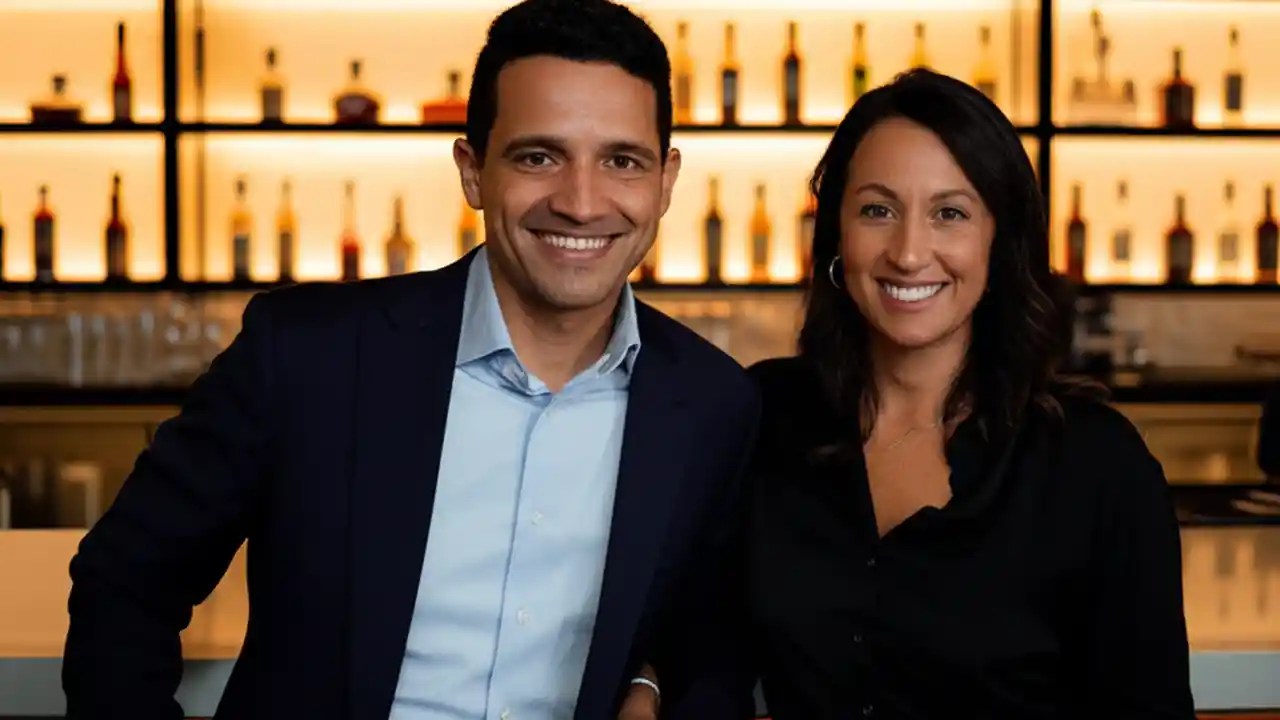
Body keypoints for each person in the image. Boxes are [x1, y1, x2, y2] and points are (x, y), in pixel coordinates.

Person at [62, 2, 758, 718]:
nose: (581, 203)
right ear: (472, 171)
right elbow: (127, 581)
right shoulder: (306, 356)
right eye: (538, 157)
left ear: (665, 182)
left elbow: (710, 641)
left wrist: (652, 683)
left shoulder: (712, 405)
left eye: (622, 161)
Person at [627, 68, 1197, 719]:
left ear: (999, 240)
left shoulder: (1096, 463)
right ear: (835, 233)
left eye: (949, 214)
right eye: (878, 210)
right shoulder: (765, 415)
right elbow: (701, 621)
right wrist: (649, 684)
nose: (908, 252)